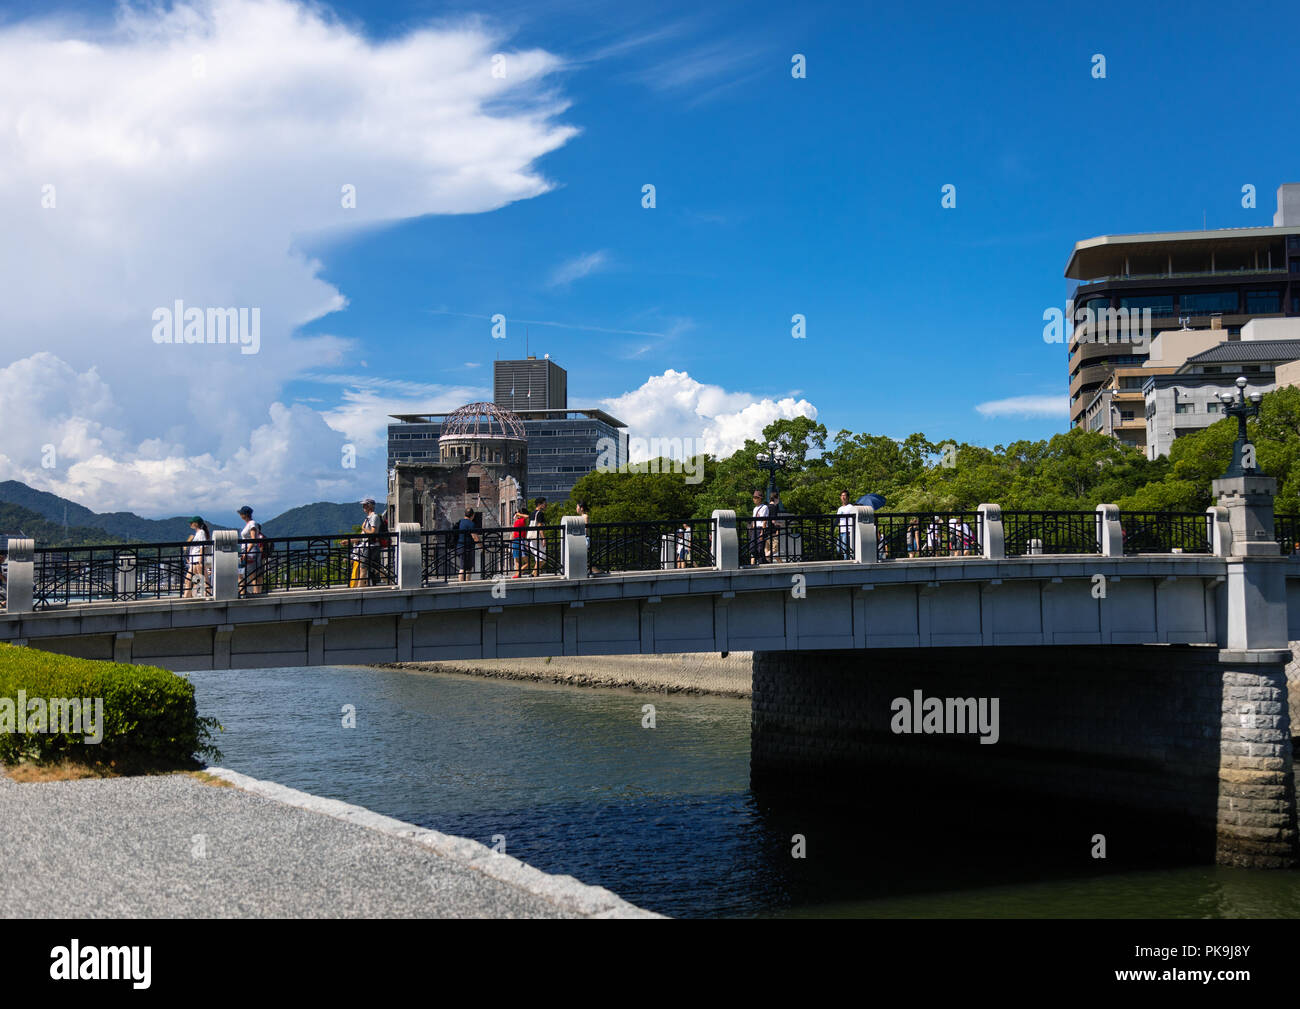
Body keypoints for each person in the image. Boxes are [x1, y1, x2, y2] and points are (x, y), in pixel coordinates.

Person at [351, 497, 385, 587]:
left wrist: (363, 528)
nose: (363, 507)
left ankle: (359, 587)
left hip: (371, 546)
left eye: (365, 505)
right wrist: (349, 541)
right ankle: (391, 582)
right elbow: (363, 537)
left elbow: (373, 532)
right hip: (370, 545)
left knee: (363, 567)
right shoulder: (368, 518)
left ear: (370, 506)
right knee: (377, 567)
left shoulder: (374, 517)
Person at [237, 506, 266, 595]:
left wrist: (247, 551)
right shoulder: (249, 524)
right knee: (247, 572)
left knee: (252, 572)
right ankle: (252, 591)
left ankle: (256, 592)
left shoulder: (252, 524)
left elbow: (253, 539)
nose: (240, 516)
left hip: (251, 552)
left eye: (241, 514)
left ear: (244, 515)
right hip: (248, 551)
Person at [184, 516, 210, 598]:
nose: (190, 524)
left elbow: (203, 546)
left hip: (198, 560)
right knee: (189, 580)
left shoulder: (201, 532)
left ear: (196, 523)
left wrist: (200, 559)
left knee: (203, 578)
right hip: (194, 560)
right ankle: (188, 595)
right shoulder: (197, 533)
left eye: (191, 522)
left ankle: (207, 595)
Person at [456, 507, 479, 582]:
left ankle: (462, 583)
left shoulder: (460, 522)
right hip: (467, 548)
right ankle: (465, 583)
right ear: (473, 515)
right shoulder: (471, 524)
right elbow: (475, 538)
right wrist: (482, 547)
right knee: (466, 568)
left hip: (459, 546)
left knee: (463, 566)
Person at [528, 497, 547, 575]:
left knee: (539, 557)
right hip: (538, 537)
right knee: (542, 558)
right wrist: (543, 538)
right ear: (539, 504)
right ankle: (533, 573)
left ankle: (535, 573)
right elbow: (540, 527)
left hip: (532, 538)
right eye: (544, 503)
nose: (546, 505)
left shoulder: (532, 513)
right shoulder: (540, 513)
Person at [749, 490, 768, 565]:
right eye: (754, 497)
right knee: (752, 548)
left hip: (760, 529)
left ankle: (762, 563)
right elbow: (754, 521)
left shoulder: (764, 507)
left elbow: (764, 520)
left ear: (760, 499)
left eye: (756, 497)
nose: (754, 499)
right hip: (755, 529)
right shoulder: (755, 508)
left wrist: (762, 532)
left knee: (760, 548)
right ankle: (752, 564)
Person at [510, 504, 530, 578]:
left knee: (517, 560)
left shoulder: (516, 521)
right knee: (528, 562)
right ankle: (518, 574)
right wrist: (519, 514)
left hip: (515, 541)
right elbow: (527, 516)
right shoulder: (521, 520)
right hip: (520, 540)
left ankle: (517, 575)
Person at [836, 490, 856, 559]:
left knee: (845, 549)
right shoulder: (840, 509)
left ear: (848, 497)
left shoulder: (851, 507)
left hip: (847, 531)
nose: (843, 497)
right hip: (841, 531)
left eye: (844, 496)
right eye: (842, 496)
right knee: (838, 549)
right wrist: (832, 528)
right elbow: (837, 519)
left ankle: (846, 561)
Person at [765, 490, 783, 561]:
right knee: (775, 549)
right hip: (773, 531)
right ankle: (765, 556)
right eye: (778, 498)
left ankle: (766, 563)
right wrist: (780, 524)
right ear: (776, 498)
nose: (779, 500)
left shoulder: (766, 507)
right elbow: (773, 521)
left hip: (766, 530)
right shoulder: (774, 507)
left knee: (767, 548)